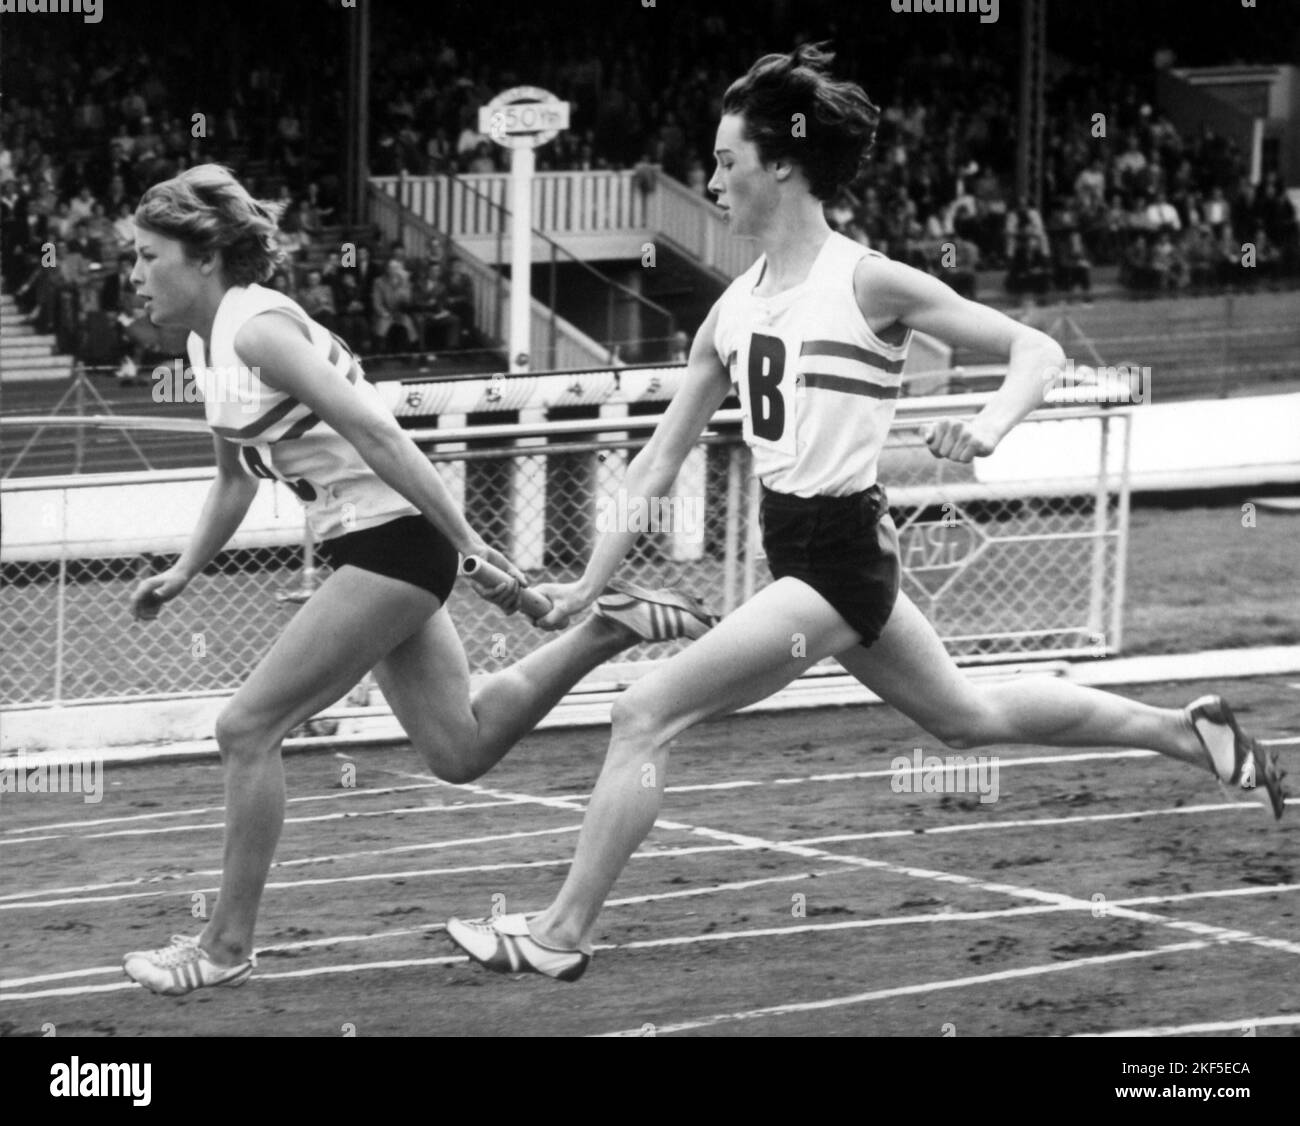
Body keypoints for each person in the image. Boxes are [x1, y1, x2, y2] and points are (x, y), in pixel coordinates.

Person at [445, 44, 1288, 983]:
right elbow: (656, 462)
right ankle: (1186, 732)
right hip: (802, 555)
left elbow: (1036, 350)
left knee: (645, 712)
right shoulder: (730, 312)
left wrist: (990, 425)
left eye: (728, 160)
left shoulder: (868, 281)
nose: (713, 178)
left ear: (784, 165)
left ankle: (562, 934)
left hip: (838, 558)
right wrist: (589, 584)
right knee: (967, 718)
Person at [119, 164, 716, 997]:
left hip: (393, 543)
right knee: (458, 748)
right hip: (370, 547)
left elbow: (380, 434)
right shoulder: (206, 343)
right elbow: (235, 480)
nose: (135, 275)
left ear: (205, 257)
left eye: (147, 256)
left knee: (246, 727)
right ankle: (610, 628)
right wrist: (183, 572)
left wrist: (467, 548)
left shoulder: (256, 330)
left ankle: (224, 946)